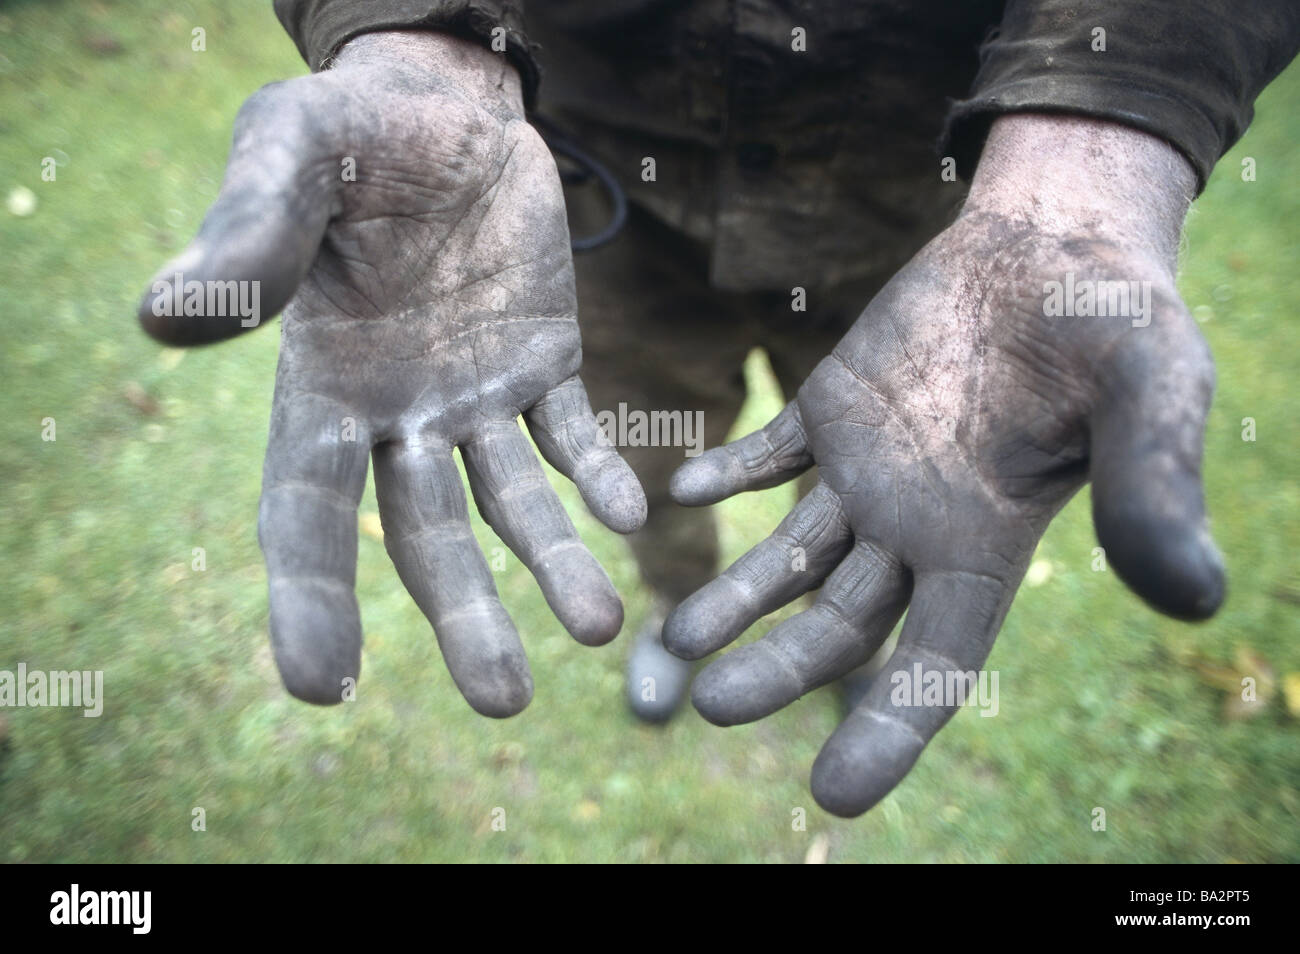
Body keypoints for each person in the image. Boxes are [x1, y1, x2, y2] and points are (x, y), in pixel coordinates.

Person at [138, 1, 1300, 817]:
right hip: (585, 196)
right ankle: (675, 612)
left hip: (927, 200)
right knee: (643, 457)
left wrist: (1093, 143)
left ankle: (860, 636)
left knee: (881, 459)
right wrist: (419, 36)